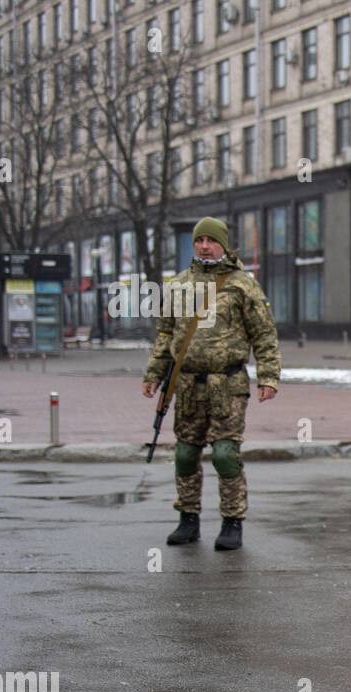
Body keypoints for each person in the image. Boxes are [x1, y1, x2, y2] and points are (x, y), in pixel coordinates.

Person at [141, 217, 281, 551]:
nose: (204, 245)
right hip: (187, 384)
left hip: (227, 382)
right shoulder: (177, 285)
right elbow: (165, 334)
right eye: (199, 240)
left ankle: (232, 522)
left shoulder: (241, 285)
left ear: (223, 244)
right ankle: (188, 519)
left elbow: (263, 333)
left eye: (211, 240)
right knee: (186, 453)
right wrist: (153, 375)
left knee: (224, 453)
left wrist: (269, 376)